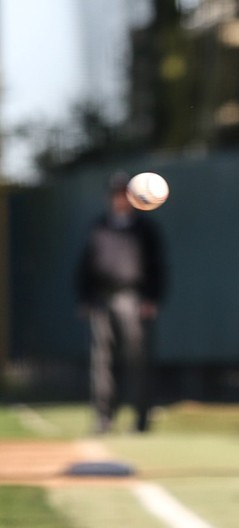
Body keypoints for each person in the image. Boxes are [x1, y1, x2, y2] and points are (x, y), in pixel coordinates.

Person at [76, 172, 167, 434]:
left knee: (138, 360)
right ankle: (104, 418)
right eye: (116, 193)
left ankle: (141, 419)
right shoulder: (99, 226)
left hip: (134, 299)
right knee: (101, 362)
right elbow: (86, 265)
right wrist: (85, 298)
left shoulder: (145, 229)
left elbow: (158, 266)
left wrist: (151, 298)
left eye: (124, 193)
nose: (120, 199)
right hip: (102, 300)